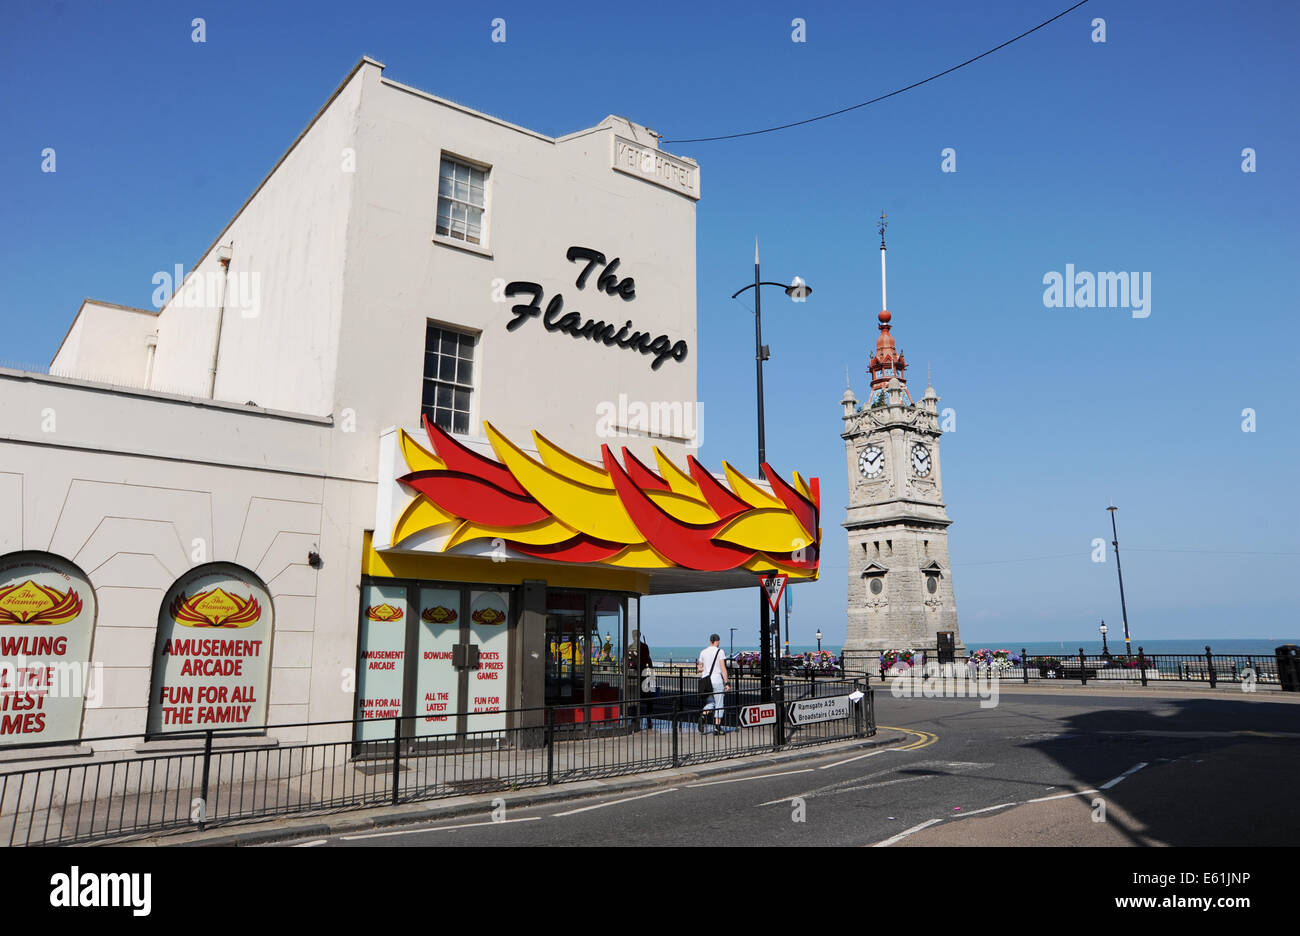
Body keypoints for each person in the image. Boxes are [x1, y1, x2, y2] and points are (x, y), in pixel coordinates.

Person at [696, 633, 730, 735]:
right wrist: (727, 682)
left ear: (710, 641)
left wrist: (704, 669)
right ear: (718, 641)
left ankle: (703, 716)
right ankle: (717, 728)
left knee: (711, 702)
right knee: (719, 704)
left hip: (706, 681)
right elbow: (723, 668)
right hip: (717, 680)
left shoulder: (703, 652)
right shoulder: (720, 652)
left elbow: (700, 668)